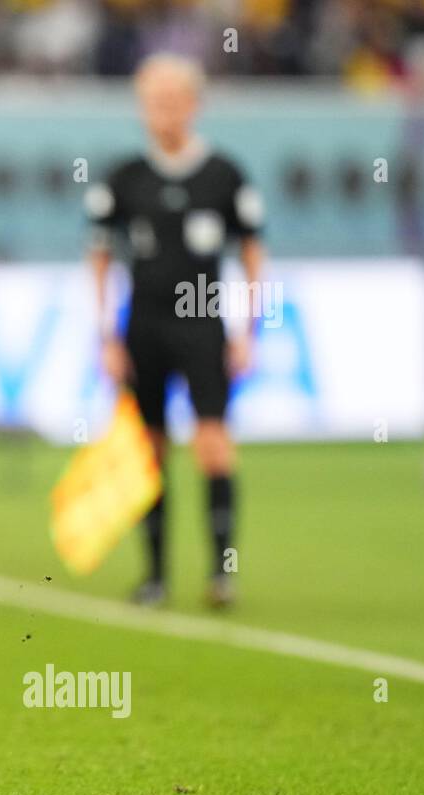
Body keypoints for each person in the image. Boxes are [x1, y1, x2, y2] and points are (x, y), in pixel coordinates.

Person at [87, 53, 266, 609]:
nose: (162, 111)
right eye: (153, 101)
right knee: (151, 449)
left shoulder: (225, 175)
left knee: (213, 443)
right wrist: (106, 336)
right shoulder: (123, 178)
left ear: (193, 104)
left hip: (203, 324)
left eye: (172, 99)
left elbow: (253, 254)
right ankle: (156, 576)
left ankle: (221, 574)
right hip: (143, 325)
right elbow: (99, 257)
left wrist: (248, 331)